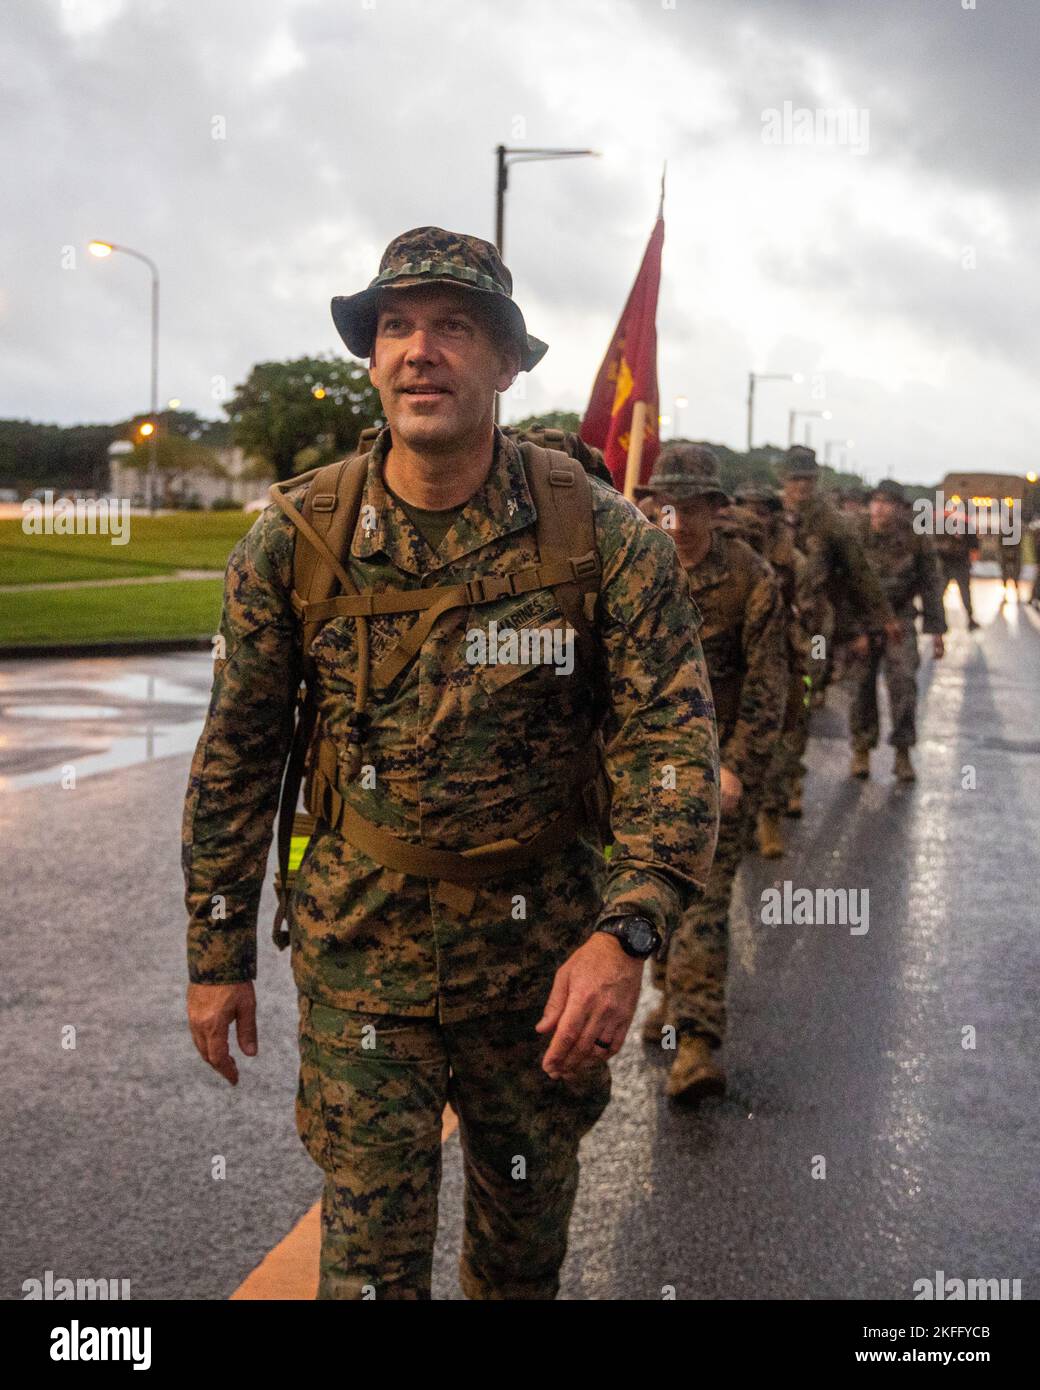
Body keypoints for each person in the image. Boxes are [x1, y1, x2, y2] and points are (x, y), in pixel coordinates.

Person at [181, 226, 720, 1299]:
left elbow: (671, 743)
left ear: (506, 363)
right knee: (369, 1267)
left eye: (453, 326)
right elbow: (239, 755)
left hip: (543, 965)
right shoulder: (293, 540)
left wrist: (627, 935)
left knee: (520, 1258)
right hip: (358, 956)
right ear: (372, 359)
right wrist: (215, 947)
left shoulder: (603, 538)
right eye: (395, 326)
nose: (420, 349)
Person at [637, 446, 787, 1103]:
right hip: (643, 769)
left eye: (689, 508)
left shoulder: (751, 578)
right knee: (653, 894)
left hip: (714, 768)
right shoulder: (636, 567)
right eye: (664, 506)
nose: (674, 520)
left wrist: (738, 768)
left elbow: (770, 686)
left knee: (702, 902)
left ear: (715, 510)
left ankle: (696, 1043)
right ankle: (669, 990)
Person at [759, 446, 897, 855]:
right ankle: (770, 789)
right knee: (761, 708)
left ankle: (781, 796)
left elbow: (859, 573)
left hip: (813, 630)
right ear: (783, 480)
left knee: (797, 704)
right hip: (765, 627)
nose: (801, 486)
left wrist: (881, 617)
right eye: (794, 478)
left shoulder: (832, 523)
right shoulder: (762, 515)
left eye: (807, 479)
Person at [847, 480, 946, 783]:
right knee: (860, 687)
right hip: (861, 619)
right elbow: (842, 585)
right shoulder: (855, 533)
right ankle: (861, 749)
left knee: (903, 683)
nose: (879, 508)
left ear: (901, 509)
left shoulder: (916, 538)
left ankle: (902, 751)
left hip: (900, 620)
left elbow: (931, 584)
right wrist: (852, 633)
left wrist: (937, 631)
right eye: (875, 501)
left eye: (887, 502)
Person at [934, 523, 979, 630]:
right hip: (946, 564)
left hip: (961, 564)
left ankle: (970, 618)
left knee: (965, 593)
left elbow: (974, 545)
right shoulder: (941, 525)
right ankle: (939, 622)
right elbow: (934, 544)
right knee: (939, 593)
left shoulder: (966, 525)